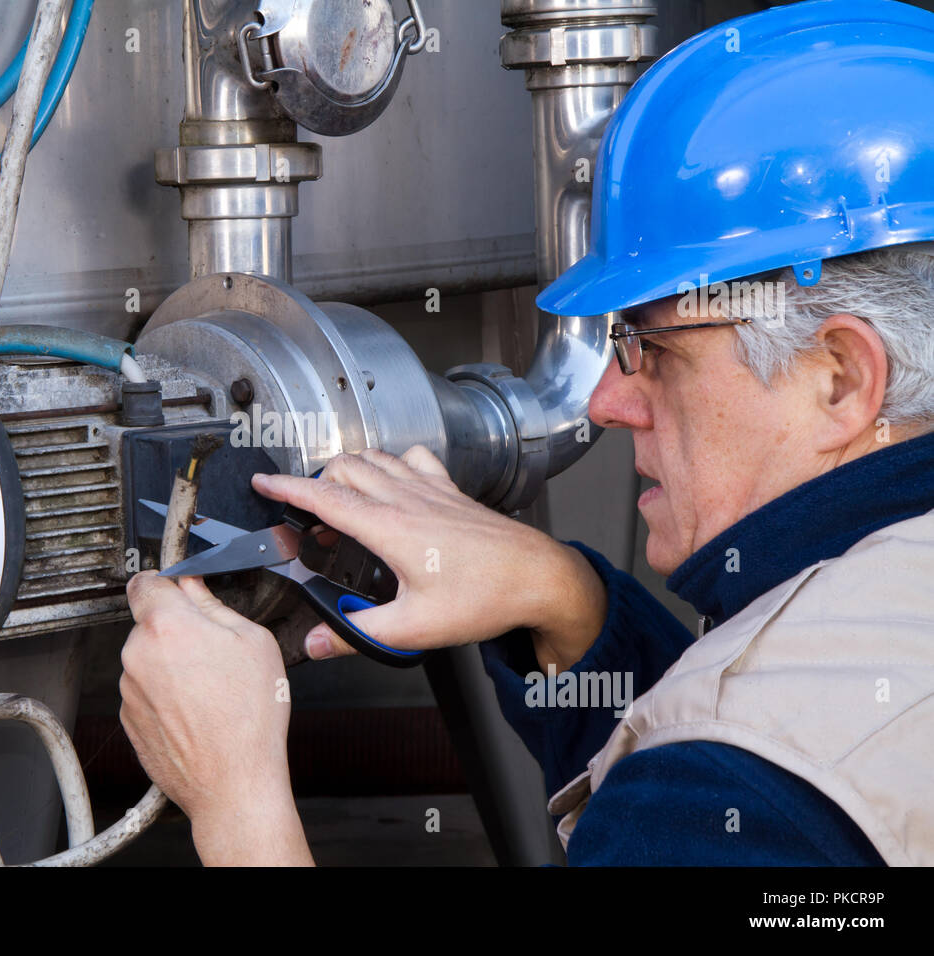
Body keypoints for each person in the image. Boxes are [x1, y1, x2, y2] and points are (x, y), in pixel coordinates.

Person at [119, 0, 934, 865]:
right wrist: (569, 606)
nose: (606, 403)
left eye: (653, 349)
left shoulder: (729, 796)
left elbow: (718, 795)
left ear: (840, 378)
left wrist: (236, 798)